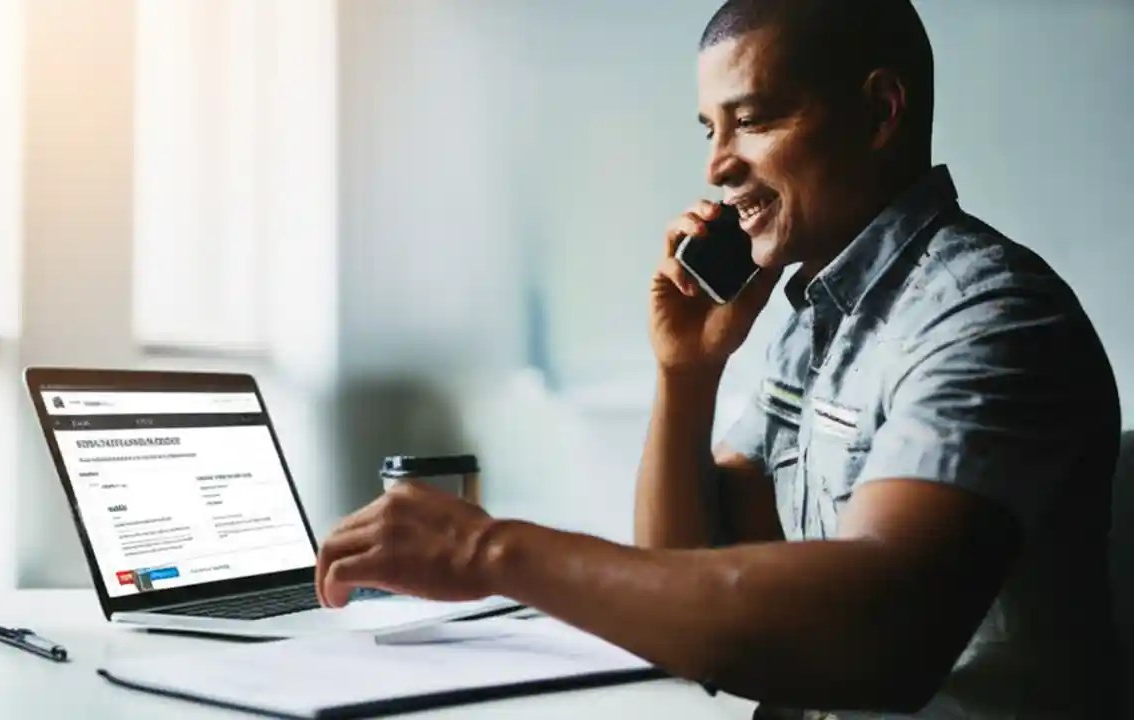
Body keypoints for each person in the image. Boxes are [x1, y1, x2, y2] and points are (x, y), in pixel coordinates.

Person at [314, 0, 1121, 716]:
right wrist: (686, 372)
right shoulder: (818, 318)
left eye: (755, 119)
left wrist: (486, 550)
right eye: (711, 128)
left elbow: (879, 639)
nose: (717, 165)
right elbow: (684, 579)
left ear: (880, 112)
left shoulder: (990, 318)